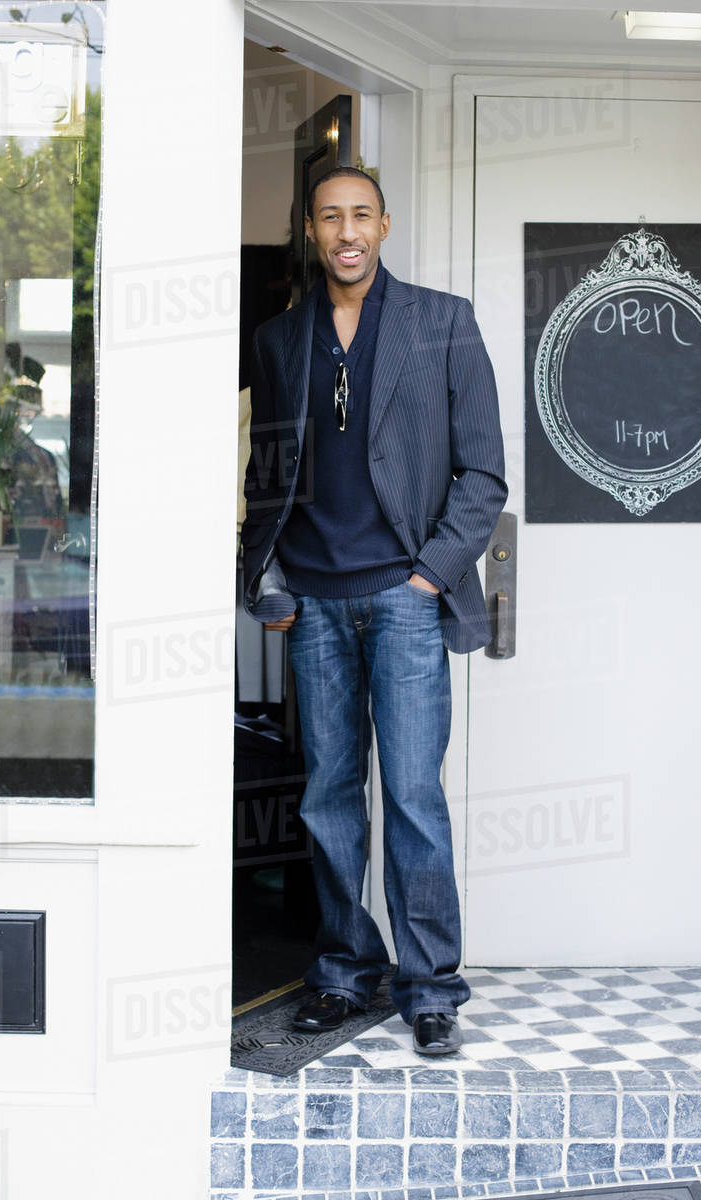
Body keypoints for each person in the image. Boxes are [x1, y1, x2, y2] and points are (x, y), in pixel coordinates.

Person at [240, 167, 507, 1056]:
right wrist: (267, 576)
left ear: (384, 225)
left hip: (403, 598)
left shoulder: (444, 321)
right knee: (327, 799)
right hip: (313, 604)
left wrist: (429, 578)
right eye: (330, 217)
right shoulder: (279, 339)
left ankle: (429, 987)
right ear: (311, 230)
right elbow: (267, 473)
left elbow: (484, 474)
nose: (346, 231)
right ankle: (343, 971)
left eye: (361, 215)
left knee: (414, 797)